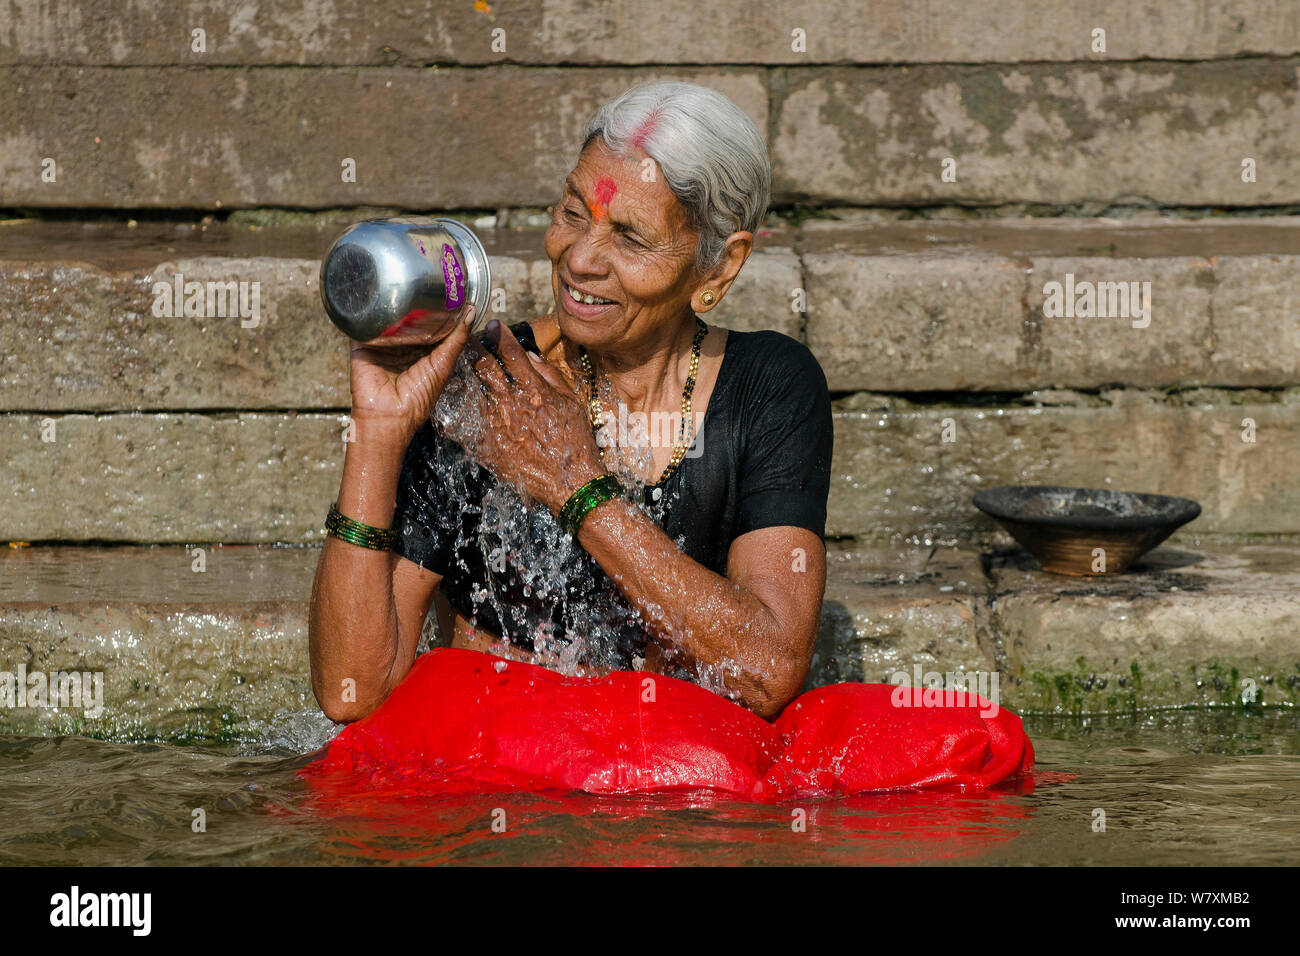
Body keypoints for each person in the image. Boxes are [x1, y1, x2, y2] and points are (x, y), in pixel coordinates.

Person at [309, 81, 833, 723]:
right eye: (573, 212)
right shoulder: (488, 385)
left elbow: (768, 670)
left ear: (719, 268)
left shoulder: (769, 385)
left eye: (632, 238)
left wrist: (574, 483)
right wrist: (379, 434)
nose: (580, 259)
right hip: (501, 788)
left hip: (672, 799)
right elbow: (351, 691)